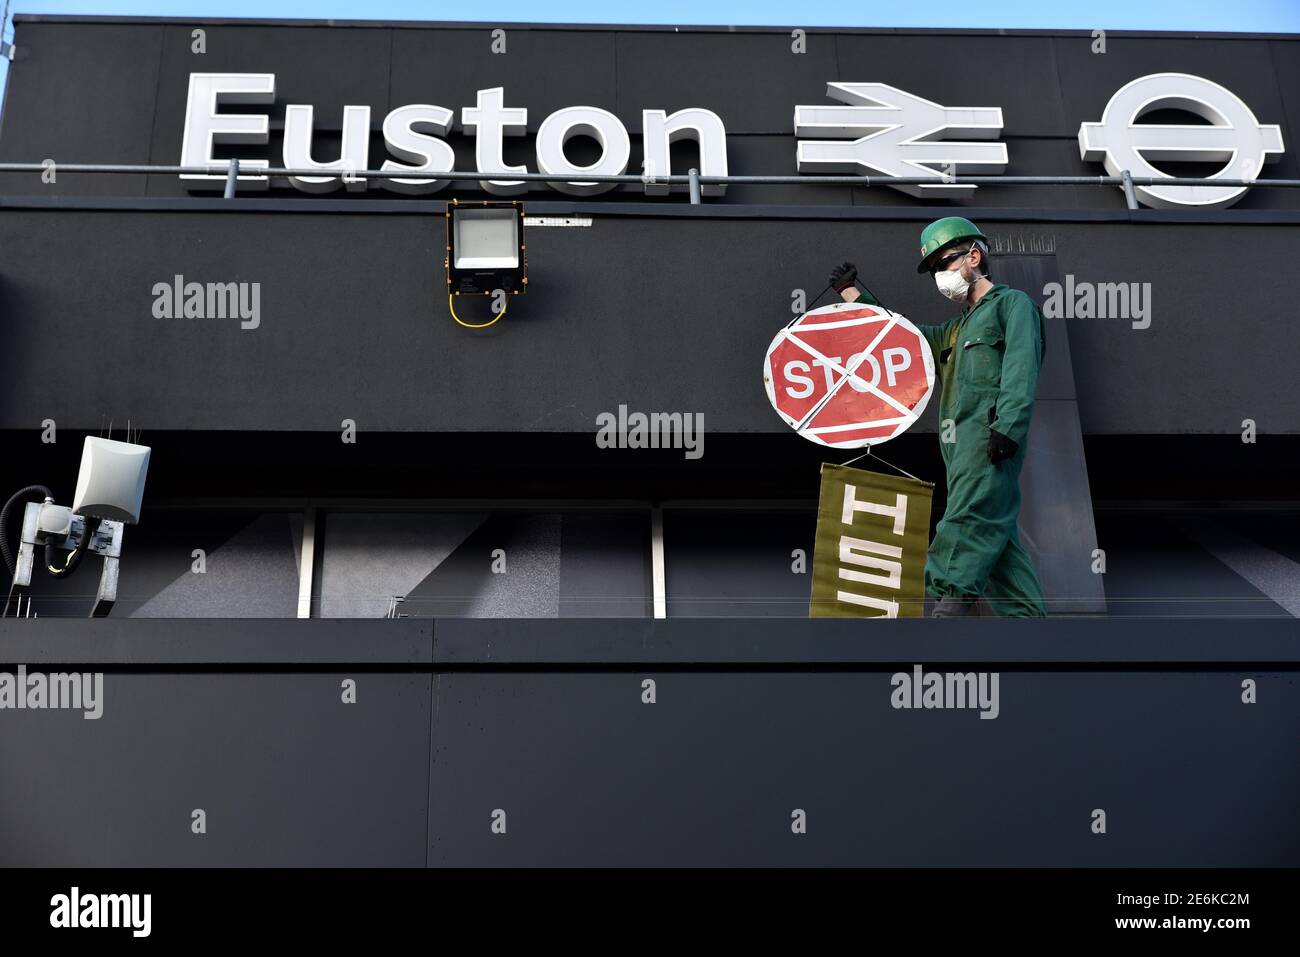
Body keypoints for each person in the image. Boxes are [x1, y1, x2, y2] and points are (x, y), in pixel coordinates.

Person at [828, 217, 1047, 617]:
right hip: (959, 450)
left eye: (944, 263)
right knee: (996, 537)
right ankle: (1031, 628)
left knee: (968, 517)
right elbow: (901, 339)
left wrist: (1007, 428)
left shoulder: (1013, 305)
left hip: (989, 439)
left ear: (974, 256)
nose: (940, 276)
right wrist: (854, 297)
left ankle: (949, 605)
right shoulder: (953, 331)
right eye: (934, 270)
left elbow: (1021, 368)